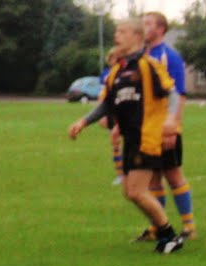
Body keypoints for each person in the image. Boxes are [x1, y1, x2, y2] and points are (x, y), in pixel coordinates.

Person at [67, 20, 186, 254]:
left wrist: (172, 119)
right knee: (131, 192)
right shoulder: (116, 72)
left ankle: (169, 235)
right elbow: (105, 106)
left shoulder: (148, 66)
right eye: (116, 31)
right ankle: (166, 235)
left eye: (122, 31)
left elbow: (172, 94)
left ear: (137, 37)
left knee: (135, 191)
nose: (116, 35)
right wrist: (83, 122)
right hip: (130, 140)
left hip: (148, 137)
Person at [141, 11, 196, 241]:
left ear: (161, 29)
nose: (143, 28)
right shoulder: (142, 56)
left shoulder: (168, 56)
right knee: (153, 178)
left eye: (148, 24)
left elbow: (179, 94)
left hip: (165, 128)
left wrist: (172, 125)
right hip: (147, 129)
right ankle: (157, 227)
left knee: (173, 175)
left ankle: (189, 227)